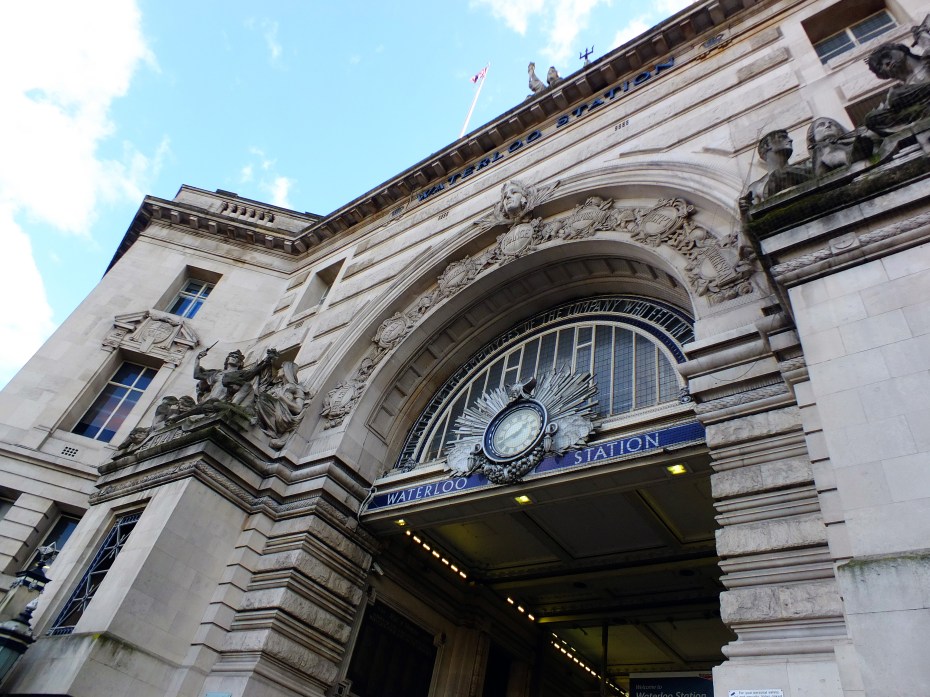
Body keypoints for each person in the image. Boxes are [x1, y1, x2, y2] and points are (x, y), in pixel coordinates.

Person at [865, 43, 930, 137]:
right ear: (882, 75)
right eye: (880, 66)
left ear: (901, 50)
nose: (886, 63)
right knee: (871, 118)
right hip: (919, 115)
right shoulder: (896, 95)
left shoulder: (927, 59)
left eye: (887, 56)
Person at [741, 129, 811, 209]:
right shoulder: (755, 187)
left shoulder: (805, 169)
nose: (790, 140)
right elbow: (753, 215)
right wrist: (744, 211)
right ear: (767, 145)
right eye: (782, 137)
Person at [806, 117, 873, 176]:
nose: (828, 125)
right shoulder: (813, 159)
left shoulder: (852, 141)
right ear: (813, 136)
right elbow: (819, 174)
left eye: (832, 124)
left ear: (839, 131)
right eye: (821, 125)